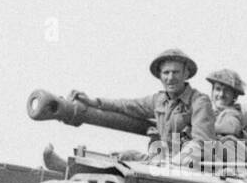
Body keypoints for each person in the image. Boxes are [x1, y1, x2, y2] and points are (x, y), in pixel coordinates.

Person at [71, 47, 215, 167]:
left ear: (186, 74)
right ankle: (72, 169)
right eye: (166, 73)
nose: (170, 78)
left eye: (175, 72)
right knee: (123, 157)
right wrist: (94, 102)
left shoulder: (199, 102)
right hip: (164, 162)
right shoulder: (159, 100)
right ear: (160, 76)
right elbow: (125, 106)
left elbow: (201, 143)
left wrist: (172, 164)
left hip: (189, 168)